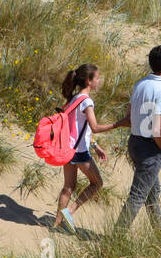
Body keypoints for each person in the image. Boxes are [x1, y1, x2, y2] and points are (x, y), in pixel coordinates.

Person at [51, 64, 119, 234]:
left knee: (68, 188)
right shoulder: (87, 101)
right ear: (89, 81)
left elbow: (79, 128)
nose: (99, 80)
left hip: (68, 148)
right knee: (97, 183)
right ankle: (70, 212)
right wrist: (118, 124)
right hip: (79, 152)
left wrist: (95, 145)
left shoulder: (74, 99)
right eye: (97, 78)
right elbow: (94, 127)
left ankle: (56, 225)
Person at [114, 45, 161, 231]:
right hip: (151, 147)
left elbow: (129, 118)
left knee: (151, 192)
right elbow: (158, 130)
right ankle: (115, 239)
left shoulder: (139, 84)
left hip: (134, 142)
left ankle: (160, 234)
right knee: (138, 195)